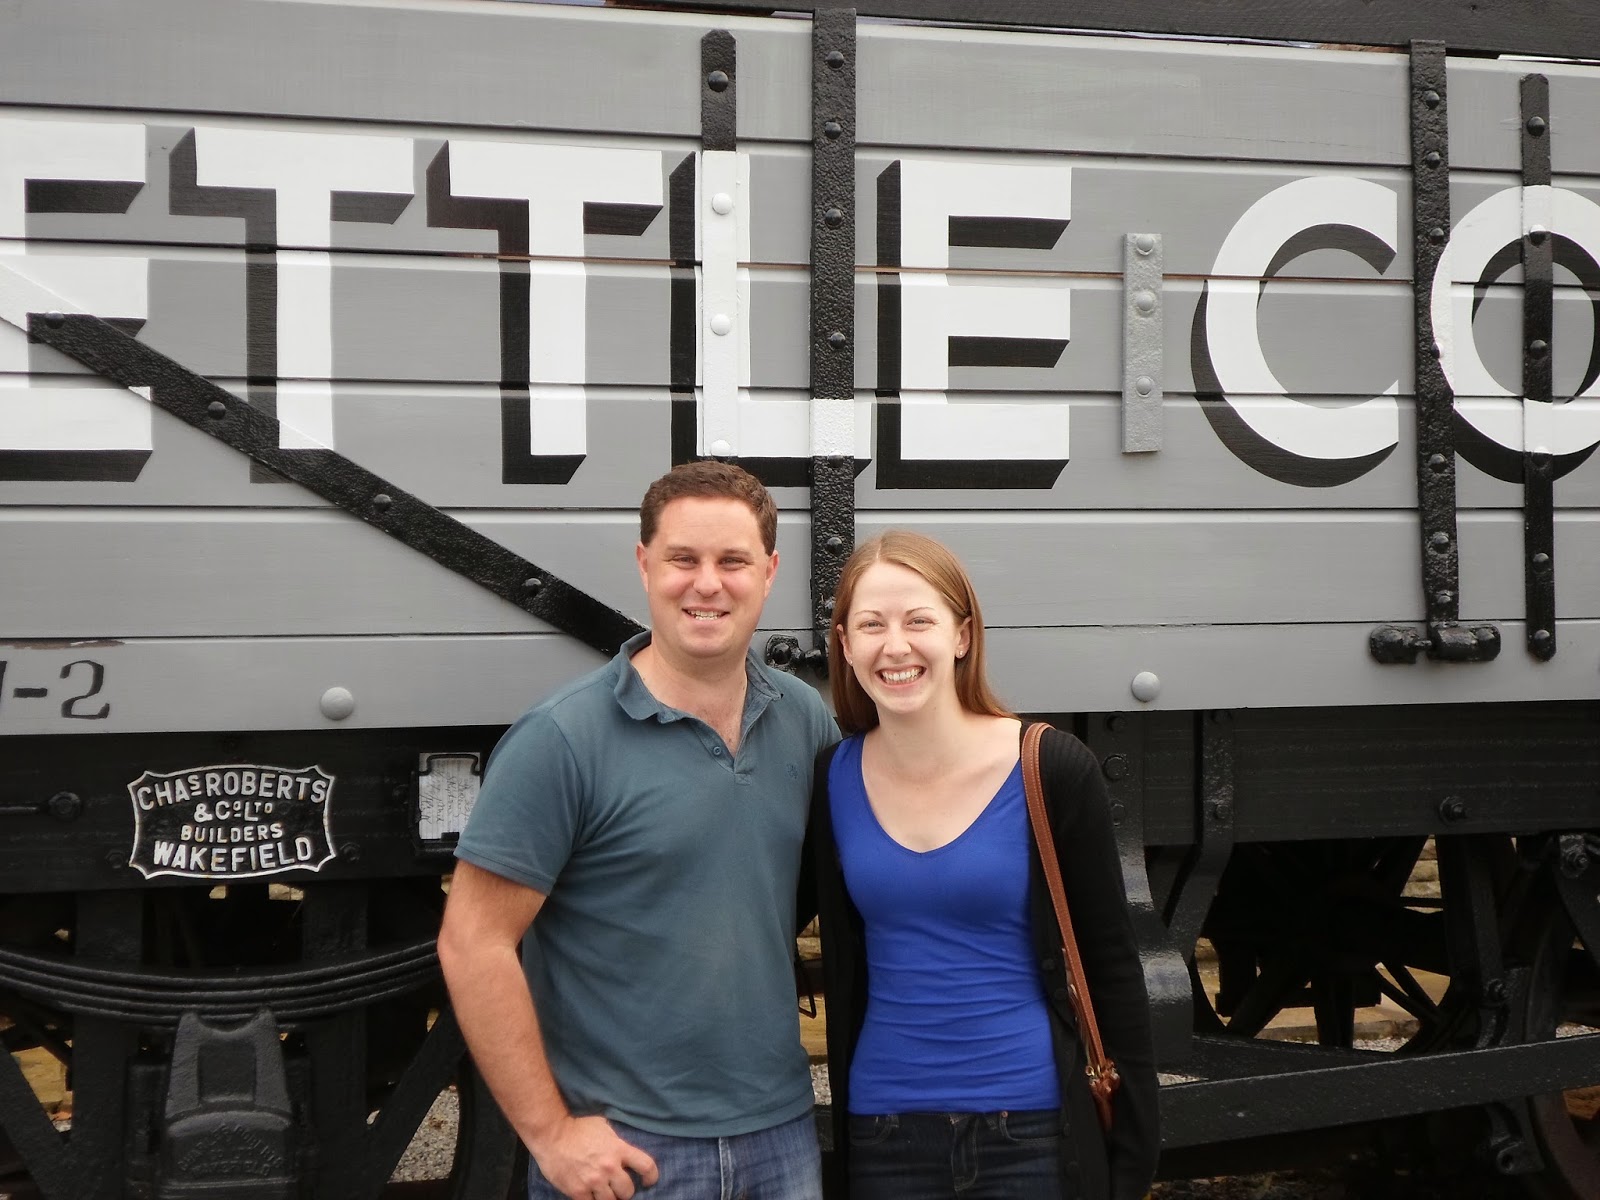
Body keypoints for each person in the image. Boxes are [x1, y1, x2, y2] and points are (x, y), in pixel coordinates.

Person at [438, 461, 838, 1200]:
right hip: (627, 1153)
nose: (707, 584)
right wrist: (550, 1134)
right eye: (683, 559)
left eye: (733, 561)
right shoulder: (563, 738)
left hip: (780, 1137)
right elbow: (473, 942)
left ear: (770, 571)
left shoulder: (803, 718)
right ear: (644, 564)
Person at [807, 531, 1159, 1200]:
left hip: (1030, 1132)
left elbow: (1112, 964)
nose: (896, 646)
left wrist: (1134, 1156)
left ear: (963, 635)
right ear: (845, 646)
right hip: (884, 1135)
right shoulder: (833, 778)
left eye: (919, 621)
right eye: (872, 625)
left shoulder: (1048, 767)